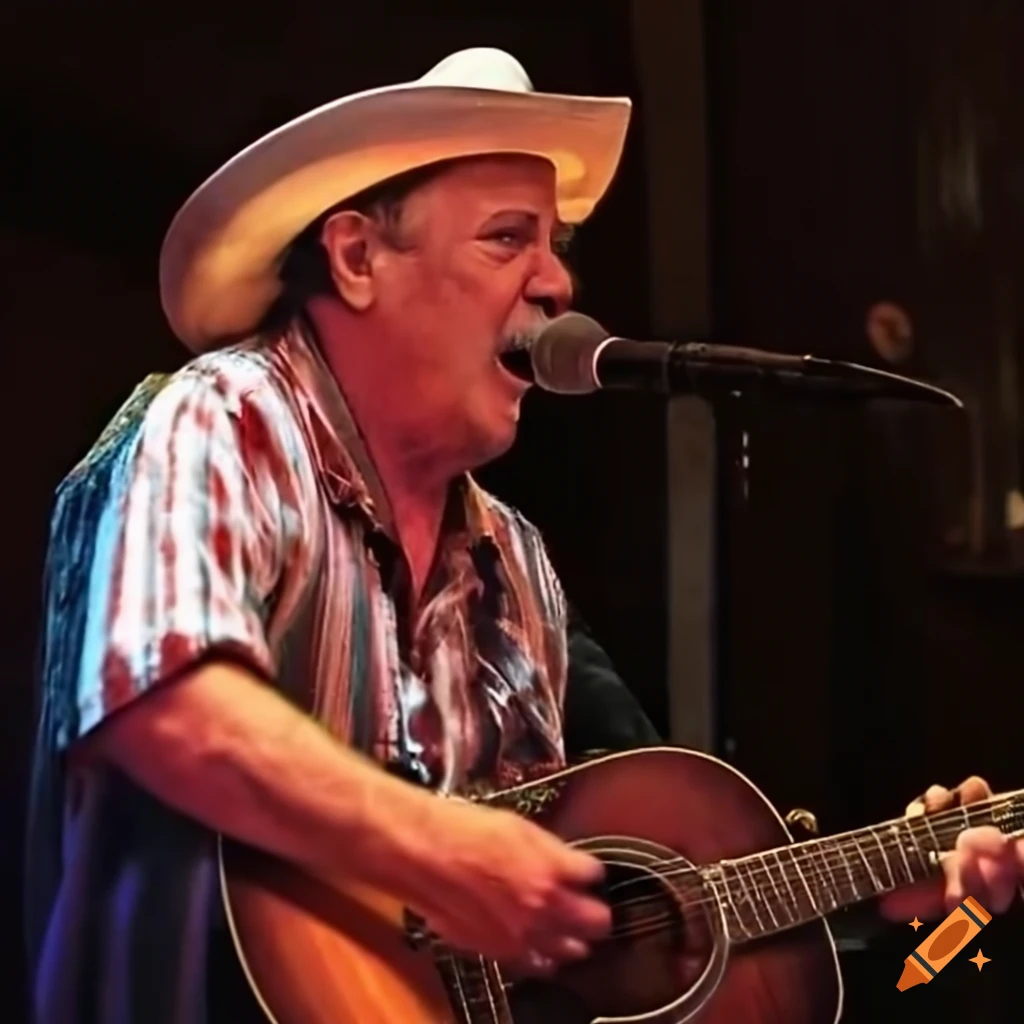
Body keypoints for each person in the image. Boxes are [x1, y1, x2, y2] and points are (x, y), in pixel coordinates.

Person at [24, 47, 1024, 1024]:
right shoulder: (229, 418)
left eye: (557, 245)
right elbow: (161, 707)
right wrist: (444, 853)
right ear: (358, 258)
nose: (557, 284)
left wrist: (888, 907)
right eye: (508, 239)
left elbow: (588, 920)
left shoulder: (512, 562)